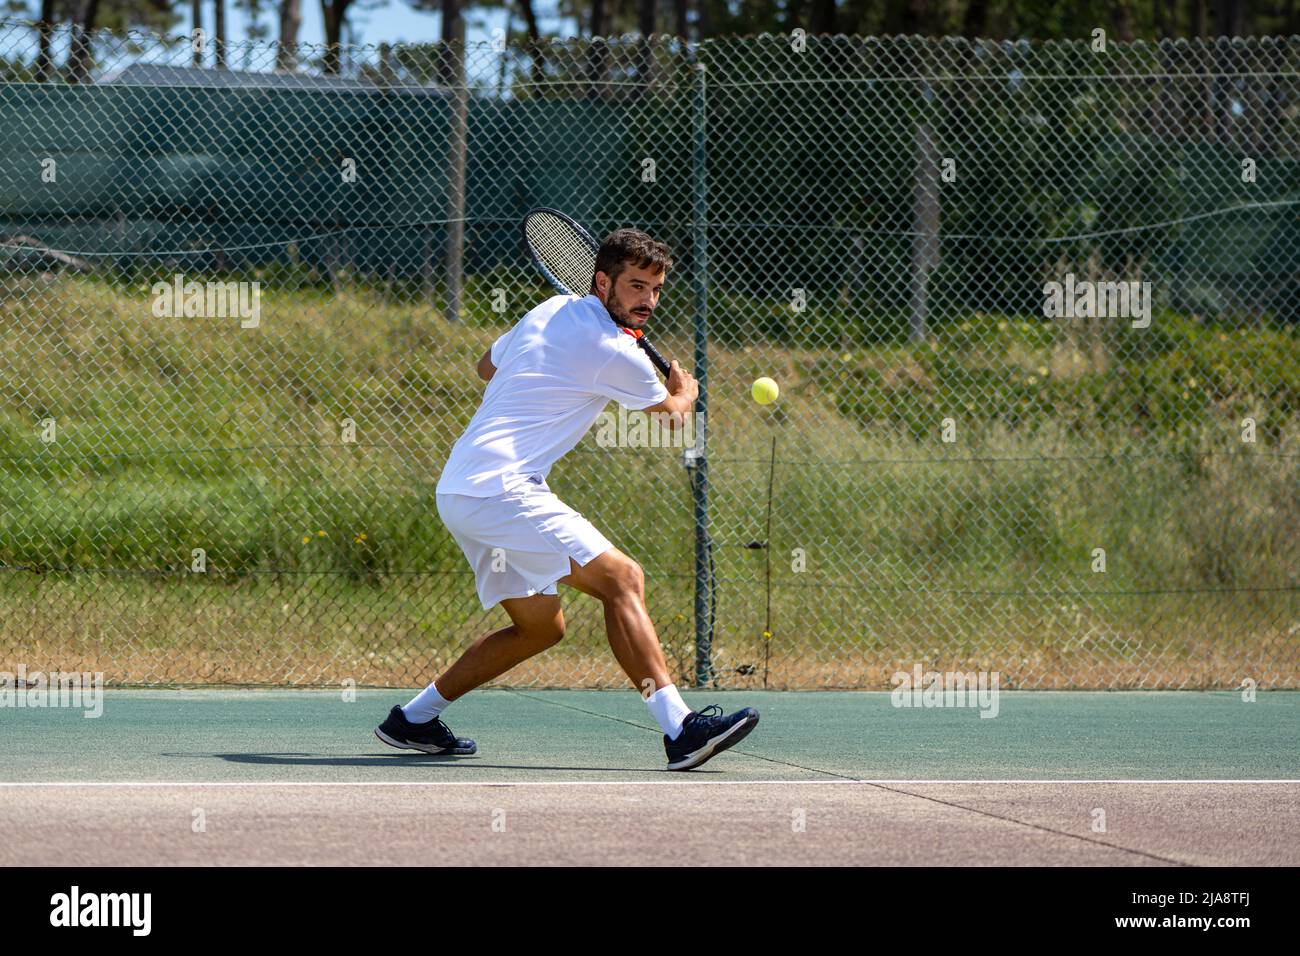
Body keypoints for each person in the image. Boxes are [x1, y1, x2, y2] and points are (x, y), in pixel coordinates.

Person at [374, 228, 758, 770]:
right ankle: (681, 729)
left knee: (540, 627)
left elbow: (485, 366)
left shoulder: (551, 308)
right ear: (602, 283)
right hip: (501, 488)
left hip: (460, 489)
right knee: (623, 579)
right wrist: (685, 394)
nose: (647, 300)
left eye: (655, 288)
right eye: (635, 286)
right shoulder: (613, 349)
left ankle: (412, 719)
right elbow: (674, 423)